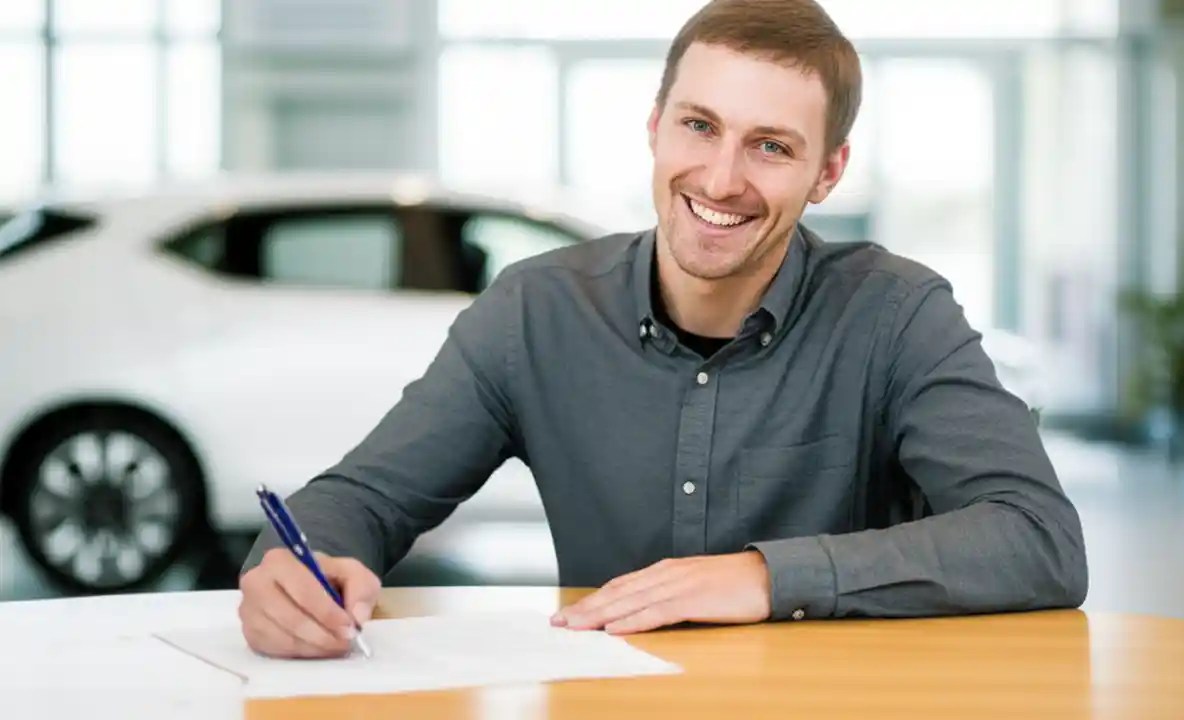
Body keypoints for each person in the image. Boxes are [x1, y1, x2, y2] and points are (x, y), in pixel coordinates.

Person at [237, 0, 1088, 659]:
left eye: (771, 147)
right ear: (654, 127)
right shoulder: (534, 312)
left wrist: (764, 577)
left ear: (828, 171)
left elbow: (1038, 538)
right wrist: (297, 567)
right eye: (699, 126)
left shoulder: (896, 315)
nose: (721, 176)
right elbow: (362, 500)